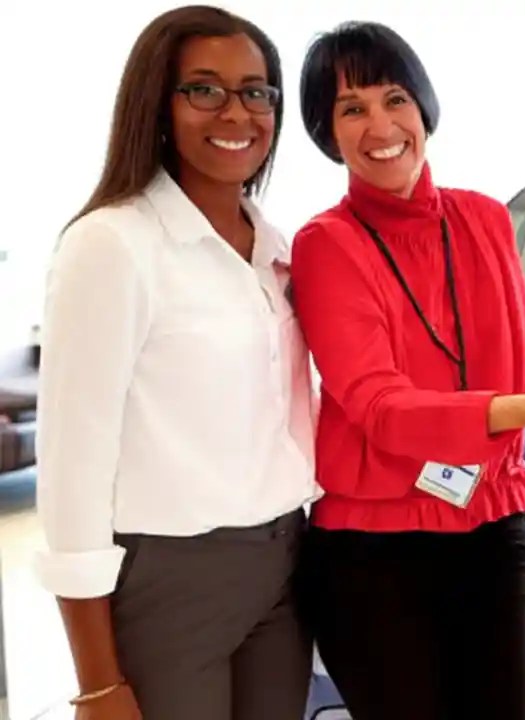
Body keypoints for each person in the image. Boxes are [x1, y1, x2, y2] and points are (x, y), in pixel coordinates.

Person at [288, 21, 525, 720]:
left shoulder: (486, 219)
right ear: (325, 130)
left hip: (495, 531)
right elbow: (378, 407)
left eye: (394, 98)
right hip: (377, 551)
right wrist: (521, 412)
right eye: (351, 108)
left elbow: (523, 352)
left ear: (423, 107)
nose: (380, 125)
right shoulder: (327, 245)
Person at [34, 6, 316, 719]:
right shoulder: (114, 244)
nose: (237, 111)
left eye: (256, 91)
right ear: (157, 105)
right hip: (170, 578)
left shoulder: (273, 244)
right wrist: (97, 682)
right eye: (204, 89)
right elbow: (73, 470)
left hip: (285, 563)